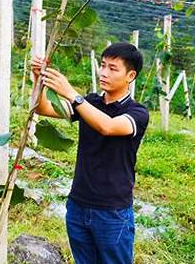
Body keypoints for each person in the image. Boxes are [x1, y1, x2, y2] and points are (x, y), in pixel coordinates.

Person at [31, 42, 149, 263]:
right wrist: (38, 78)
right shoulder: (91, 102)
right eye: (103, 65)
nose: (104, 73)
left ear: (130, 75)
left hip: (112, 212)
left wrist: (72, 94)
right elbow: (42, 108)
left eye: (113, 68)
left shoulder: (137, 113)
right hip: (78, 204)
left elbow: (108, 126)